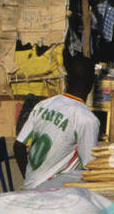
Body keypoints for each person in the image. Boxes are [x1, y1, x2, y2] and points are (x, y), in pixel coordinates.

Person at [14, 57, 101, 187]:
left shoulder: (43, 105)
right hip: (55, 192)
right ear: (91, 83)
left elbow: (18, 146)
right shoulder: (87, 119)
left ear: (66, 80)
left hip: (30, 186)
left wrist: (30, 183)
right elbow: (90, 166)